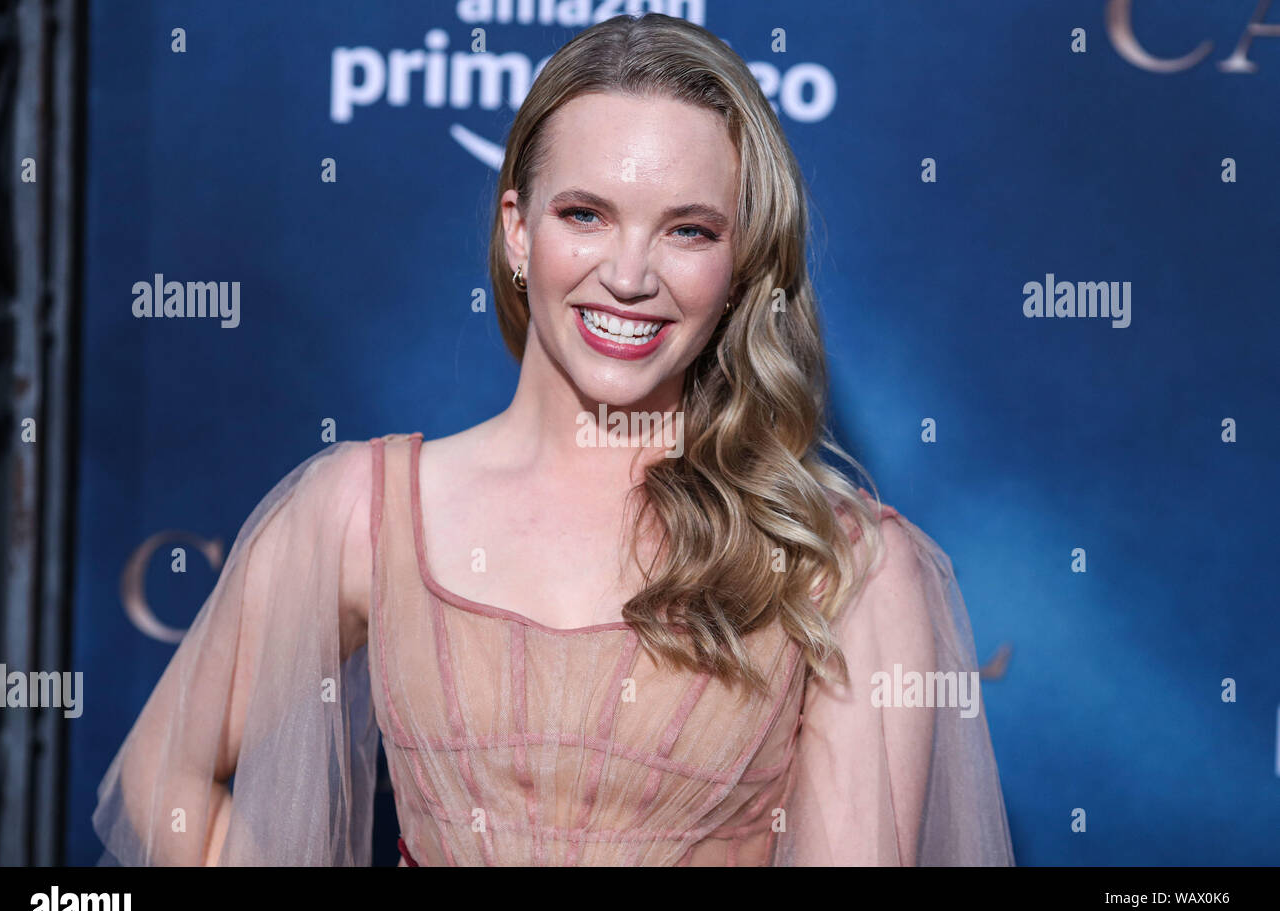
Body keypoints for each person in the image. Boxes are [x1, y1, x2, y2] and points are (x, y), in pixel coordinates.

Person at [92, 13, 1014, 866]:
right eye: (586, 215)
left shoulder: (844, 569)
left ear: (740, 268)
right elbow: (157, 781)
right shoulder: (360, 509)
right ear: (517, 232)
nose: (627, 275)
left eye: (688, 231)